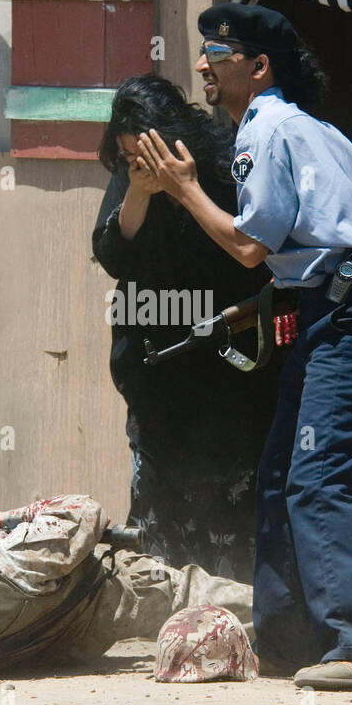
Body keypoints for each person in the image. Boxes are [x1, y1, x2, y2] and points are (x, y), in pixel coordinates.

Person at [137, 3, 352, 690]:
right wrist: (324, 270)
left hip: (348, 320)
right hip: (347, 309)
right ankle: (290, 641)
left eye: (218, 53)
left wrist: (185, 188)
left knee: (315, 480)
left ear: (257, 68)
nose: (201, 63)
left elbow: (249, 244)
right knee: (282, 478)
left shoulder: (264, 131)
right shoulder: (312, 129)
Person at [92, 74, 282, 581]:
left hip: (227, 361)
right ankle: (165, 595)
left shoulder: (223, 163)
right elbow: (111, 253)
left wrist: (186, 188)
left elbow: (250, 252)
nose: (140, 161)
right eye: (130, 154)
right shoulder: (131, 174)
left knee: (231, 484)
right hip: (155, 360)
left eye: (145, 153)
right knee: (160, 483)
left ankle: (236, 597)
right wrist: (137, 192)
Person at [0, 495, 253, 682]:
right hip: (147, 593)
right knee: (279, 617)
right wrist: (4, 517)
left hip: (95, 628)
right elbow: (86, 512)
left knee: (268, 634)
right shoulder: (11, 565)